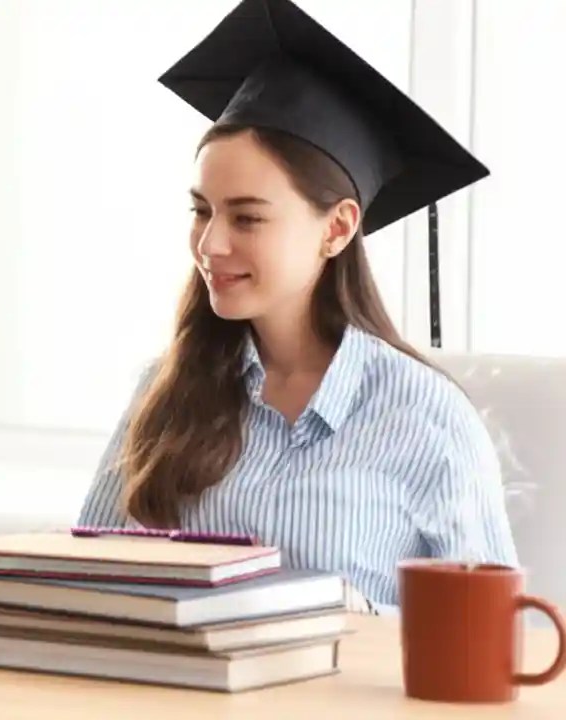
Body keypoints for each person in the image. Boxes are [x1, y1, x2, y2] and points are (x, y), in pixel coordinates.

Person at [76, 0, 518, 614]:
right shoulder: (165, 389)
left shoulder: (426, 419)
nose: (211, 244)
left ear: (336, 229)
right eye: (202, 210)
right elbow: (87, 586)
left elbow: (489, 631)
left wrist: (354, 614)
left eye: (248, 217)